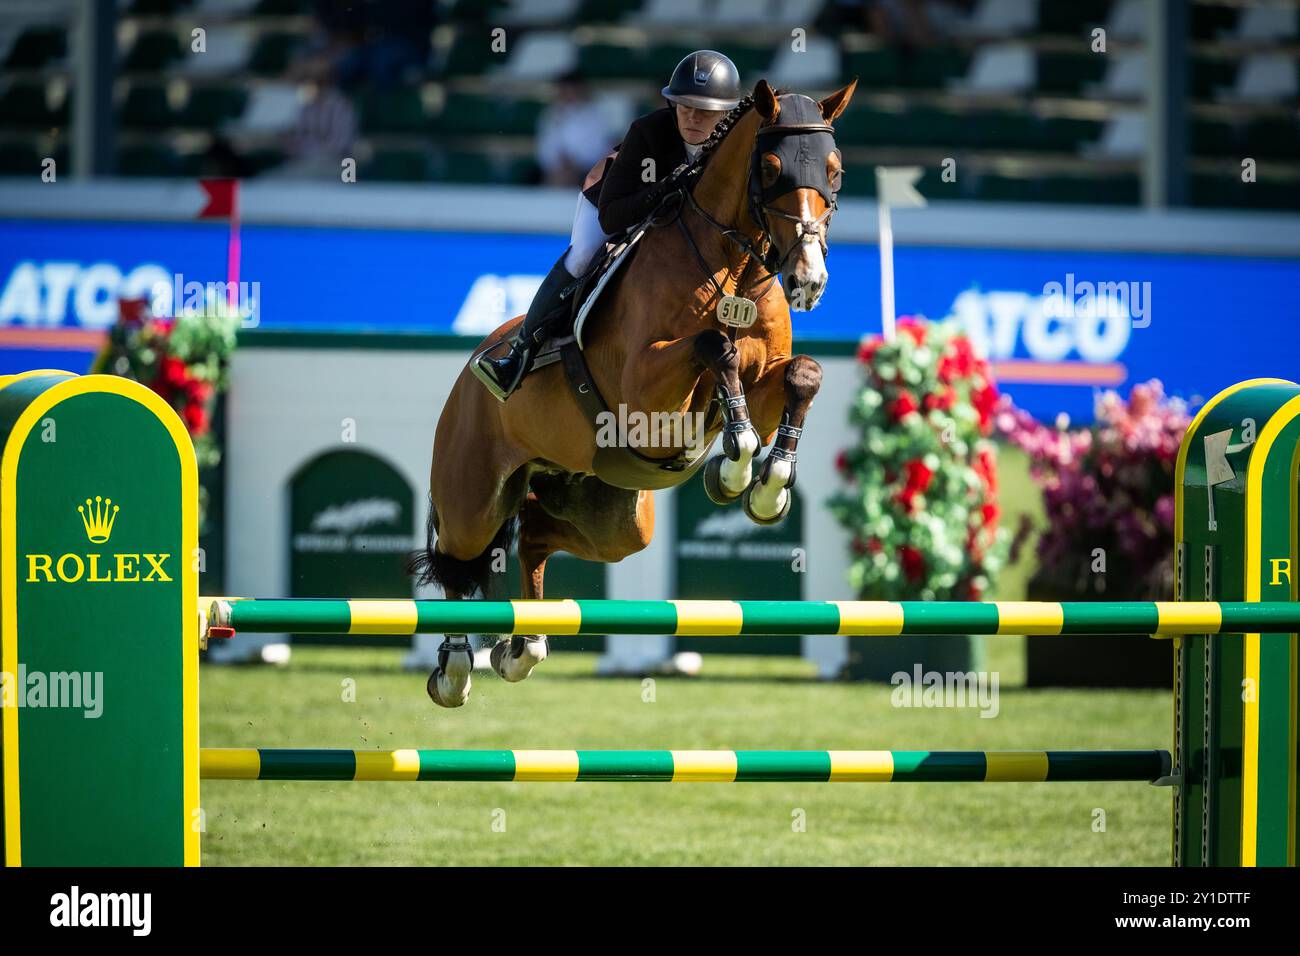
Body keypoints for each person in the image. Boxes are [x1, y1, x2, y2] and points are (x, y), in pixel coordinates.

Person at [473, 50, 742, 402]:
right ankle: (519, 353)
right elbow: (612, 216)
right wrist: (665, 189)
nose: (692, 118)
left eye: (705, 111)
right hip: (611, 203)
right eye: (684, 106)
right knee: (583, 256)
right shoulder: (647, 133)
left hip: (679, 226)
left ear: (725, 114)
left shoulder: (732, 146)